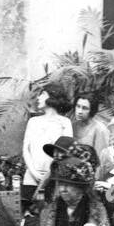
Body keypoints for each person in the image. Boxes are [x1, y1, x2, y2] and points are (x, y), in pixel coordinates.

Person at [30, 157, 113, 226]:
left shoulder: (96, 211)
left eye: (68, 185)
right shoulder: (48, 211)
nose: (62, 189)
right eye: (60, 184)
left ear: (81, 188)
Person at [20, 82, 75, 210]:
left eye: (42, 94)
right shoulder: (33, 122)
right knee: (28, 214)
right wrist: (34, 172)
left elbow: (65, 152)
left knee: (50, 213)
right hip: (31, 176)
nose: (38, 98)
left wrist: (48, 175)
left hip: (54, 177)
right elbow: (26, 150)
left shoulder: (65, 123)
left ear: (52, 97)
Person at [71, 92, 111, 165]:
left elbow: (101, 160)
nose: (79, 111)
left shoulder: (100, 129)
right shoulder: (73, 126)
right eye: (78, 106)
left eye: (85, 108)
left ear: (92, 110)